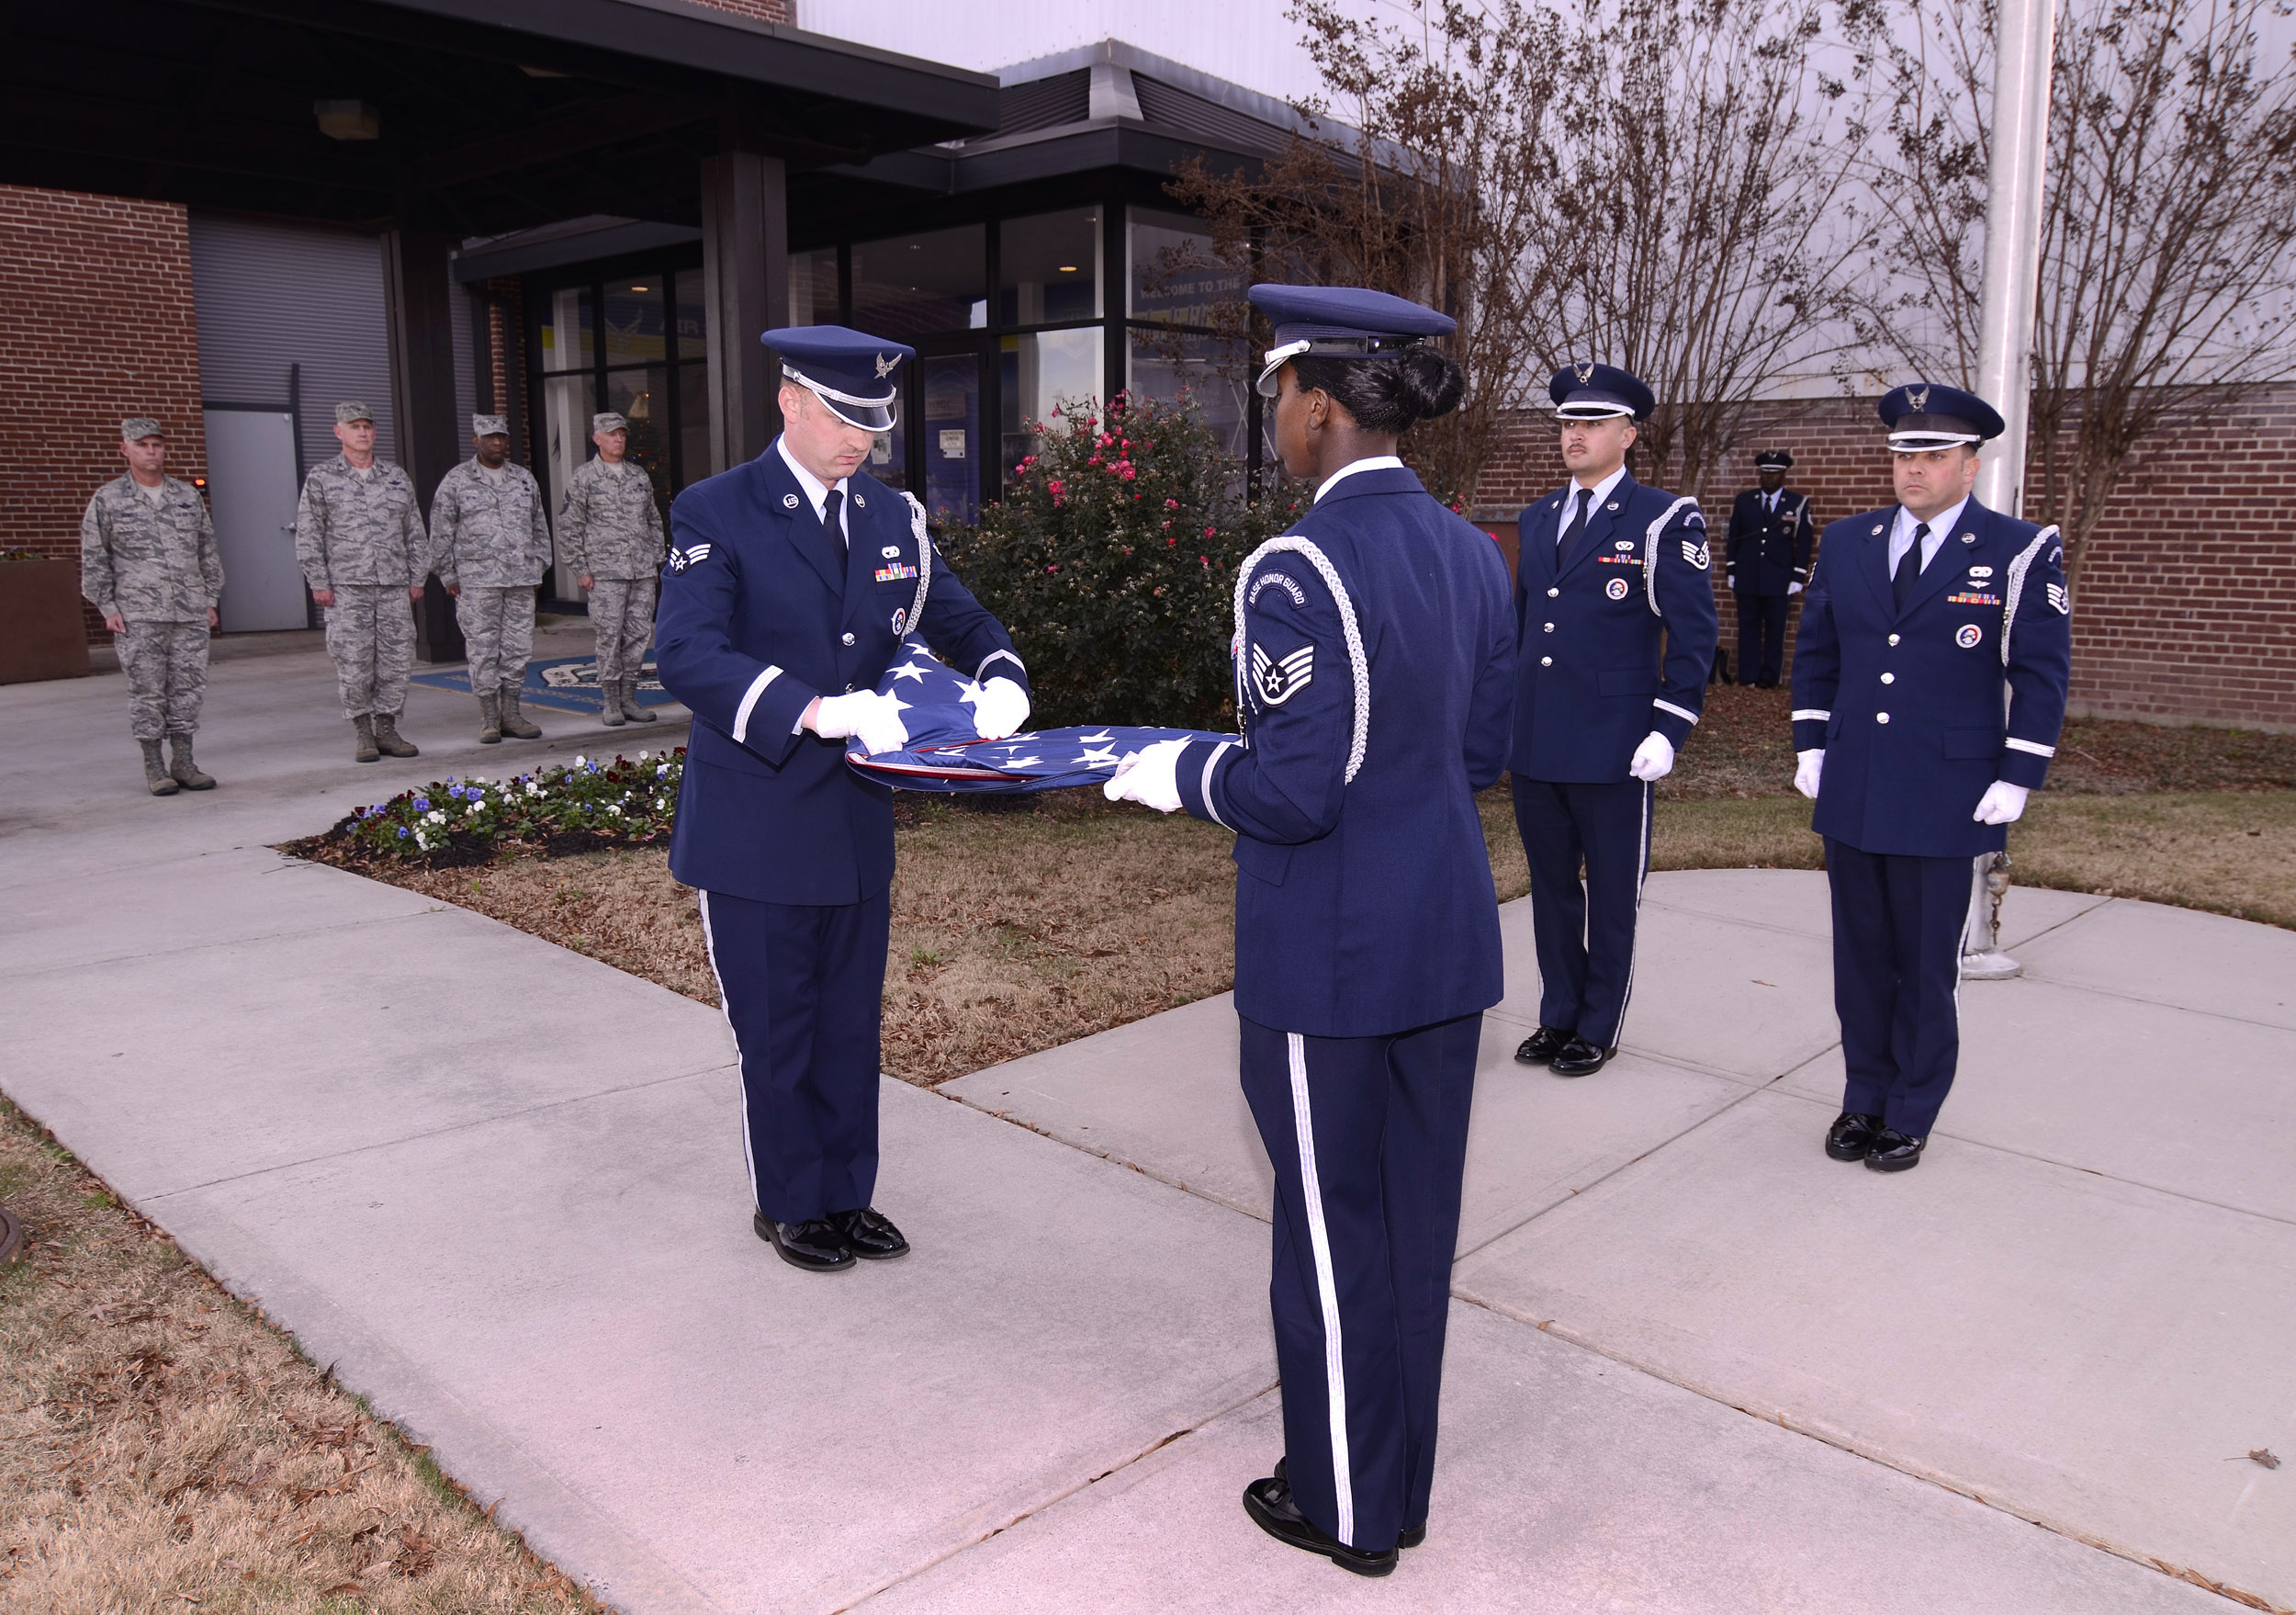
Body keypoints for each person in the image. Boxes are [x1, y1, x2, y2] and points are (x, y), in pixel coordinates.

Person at [1108, 284, 1514, 1577]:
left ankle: (1341, 1502)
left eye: (1279, 395)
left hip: (1331, 954)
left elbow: (1290, 789)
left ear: (1322, 405)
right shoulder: (1469, 549)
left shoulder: (1297, 565)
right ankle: (1394, 1490)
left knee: (1331, 1234)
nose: (1275, 419)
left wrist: (1171, 770)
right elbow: (1485, 749)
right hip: (1443, 935)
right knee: (1407, 1227)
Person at [653, 325, 1031, 1274]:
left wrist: (1000, 671)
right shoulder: (718, 509)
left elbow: (956, 612)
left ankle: (844, 1193)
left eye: (872, 421)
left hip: (854, 819)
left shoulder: (890, 516)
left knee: (848, 1024)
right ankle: (789, 1204)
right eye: (839, 417)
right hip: (759, 815)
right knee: (778, 1031)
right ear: (789, 401)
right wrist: (813, 710)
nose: (858, 440)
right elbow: (689, 653)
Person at [1791, 384, 2071, 1171]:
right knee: (1860, 959)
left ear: (1969, 464)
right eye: (1904, 454)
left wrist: (2018, 774)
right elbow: (1819, 653)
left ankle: (1911, 1108)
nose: (1913, 470)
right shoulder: (1848, 542)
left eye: (1932, 455)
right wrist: (1812, 744)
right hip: (1856, 781)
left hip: (1948, 789)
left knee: (1923, 965)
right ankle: (1863, 1096)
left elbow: (2042, 675)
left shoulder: (2017, 549)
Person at [1507, 366, 1718, 1078]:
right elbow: (1523, 628)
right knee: (1553, 889)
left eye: (1593, 423)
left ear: (1627, 435)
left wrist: (1670, 728)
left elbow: (1693, 638)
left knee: (1611, 897)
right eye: (1568, 423)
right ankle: (1558, 1013)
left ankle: (1598, 1024)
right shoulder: (1538, 518)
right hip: (1538, 739)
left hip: (1616, 746)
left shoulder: (1662, 519)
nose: (1576, 435)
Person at [80, 418, 223, 795]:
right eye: (142, 445)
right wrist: (107, 606)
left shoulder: (186, 496)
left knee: (188, 689)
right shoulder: (108, 499)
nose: (151, 451)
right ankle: (154, 765)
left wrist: (209, 599)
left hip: (189, 610)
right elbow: (95, 557)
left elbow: (206, 551)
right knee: (147, 691)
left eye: (157, 444)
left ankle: (184, 762)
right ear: (124, 449)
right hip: (138, 614)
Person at [296, 401, 428, 762]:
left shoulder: (395, 477)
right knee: (354, 662)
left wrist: (417, 577)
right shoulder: (323, 478)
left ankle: (387, 729)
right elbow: (310, 535)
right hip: (347, 588)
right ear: (339, 432)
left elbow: (414, 532)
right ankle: (363, 733)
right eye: (354, 427)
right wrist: (318, 581)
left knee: (396, 661)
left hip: (393, 587)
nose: (363, 432)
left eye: (368, 426)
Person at [433, 414, 552, 743]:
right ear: (476, 440)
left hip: (519, 579)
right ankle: (489, 718)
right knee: (483, 649)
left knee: (517, 649)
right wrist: (447, 574)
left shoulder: (523, 479)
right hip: (477, 581)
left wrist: (539, 566)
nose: (496, 443)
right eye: (489, 438)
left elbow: (539, 526)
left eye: (501, 437)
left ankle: (511, 714)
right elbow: (442, 531)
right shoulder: (457, 481)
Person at [560, 410, 666, 727]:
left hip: (642, 570)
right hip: (605, 573)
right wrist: (579, 567)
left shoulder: (638, 476)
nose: (618, 439)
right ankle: (610, 702)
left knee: (637, 635)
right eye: (612, 434)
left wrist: (657, 560)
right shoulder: (584, 478)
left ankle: (630, 698)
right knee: (609, 636)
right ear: (597, 439)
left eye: (622, 433)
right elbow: (570, 526)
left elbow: (653, 520)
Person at [1725, 448, 1814, 687]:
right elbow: (1734, 536)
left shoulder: (1797, 503)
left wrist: (1798, 574)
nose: (1769, 478)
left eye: (1774, 474)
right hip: (1748, 574)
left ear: (1784, 475)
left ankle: (1769, 678)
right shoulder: (1745, 500)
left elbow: (1804, 541)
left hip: (1779, 576)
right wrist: (1731, 569)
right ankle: (1749, 677)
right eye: (1765, 473)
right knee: (1748, 628)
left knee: (1775, 630)